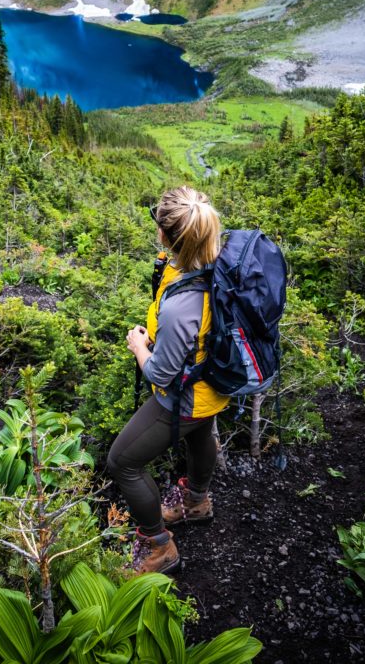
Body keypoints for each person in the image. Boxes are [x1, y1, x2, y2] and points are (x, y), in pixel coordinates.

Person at [106, 186, 230, 574]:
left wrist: (139, 346)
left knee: (122, 462)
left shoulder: (182, 305)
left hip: (186, 395)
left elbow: (160, 372)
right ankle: (196, 502)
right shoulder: (216, 265)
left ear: (165, 234)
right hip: (215, 386)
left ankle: (159, 547)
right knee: (200, 432)